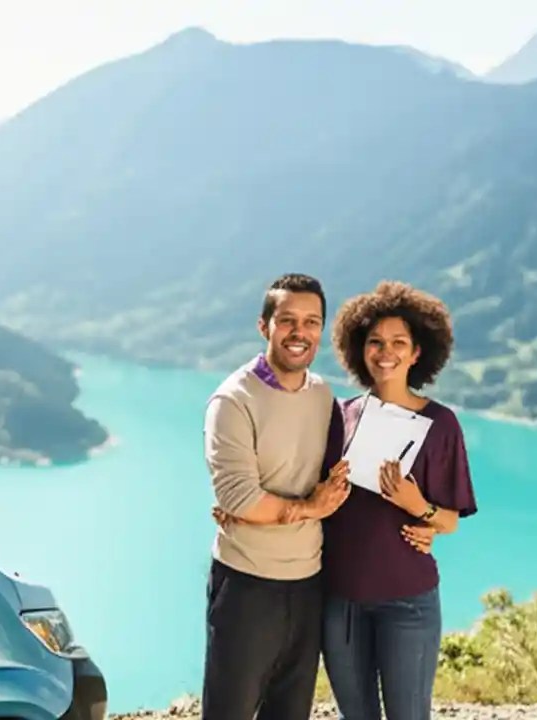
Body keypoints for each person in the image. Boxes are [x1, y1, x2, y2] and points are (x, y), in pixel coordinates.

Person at [317, 280, 479, 720]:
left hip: (407, 601)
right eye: (375, 342)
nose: (385, 352)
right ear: (359, 349)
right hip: (341, 602)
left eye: (398, 343)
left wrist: (416, 504)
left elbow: (449, 522)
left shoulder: (441, 425)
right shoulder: (339, 417)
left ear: (417, 352)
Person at [199, 272, 353, 720]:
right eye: (287, 320)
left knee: (290, 713)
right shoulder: (232, 400)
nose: (299, 332)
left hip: (308, 584)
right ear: (264, 326)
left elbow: (338, 475)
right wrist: (306, 508)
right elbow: (239, 498)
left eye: (311, 322)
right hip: (247, 585)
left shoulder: (322, 395)